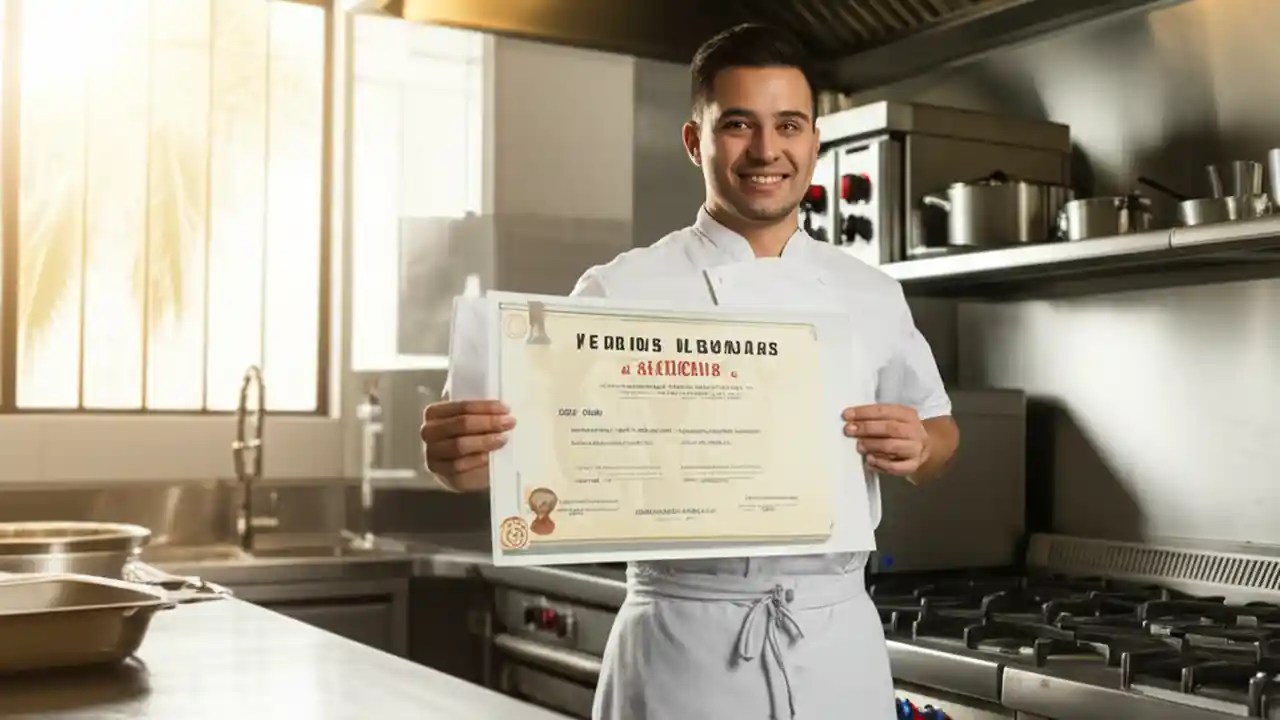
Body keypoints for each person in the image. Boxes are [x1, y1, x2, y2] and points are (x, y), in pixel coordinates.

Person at [421, 22, 960, 720]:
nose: (766, 150)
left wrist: (921, 445)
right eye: (738, 125)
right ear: (694, 141)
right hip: (682, 647)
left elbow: (941, 437)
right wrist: (463, 458)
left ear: (813, 141)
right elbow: (521, 457)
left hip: (838, 650)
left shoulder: (871, 293)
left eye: (788, 125)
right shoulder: (618, 292)